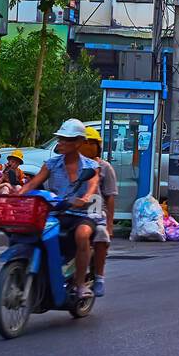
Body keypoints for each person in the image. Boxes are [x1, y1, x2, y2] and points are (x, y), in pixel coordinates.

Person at [19, 119, 100, 298]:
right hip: (56, 212)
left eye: (66, 139)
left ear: (79, 142)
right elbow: (33, 183)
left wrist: (85, 199)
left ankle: (79, 284)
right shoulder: (52, 164)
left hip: (82, 214)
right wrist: (16, 196)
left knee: (82, 234)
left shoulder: (91, 166)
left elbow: (92, 187)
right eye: (60, 138)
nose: (61, 142)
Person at [79, 126, 117, 298]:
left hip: (95, 209)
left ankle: (99, 277)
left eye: (89, 143)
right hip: (70, 208)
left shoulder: (104, 167)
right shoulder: (66, 163)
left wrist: (109, 225)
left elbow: (109, 197)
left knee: (101, 235)